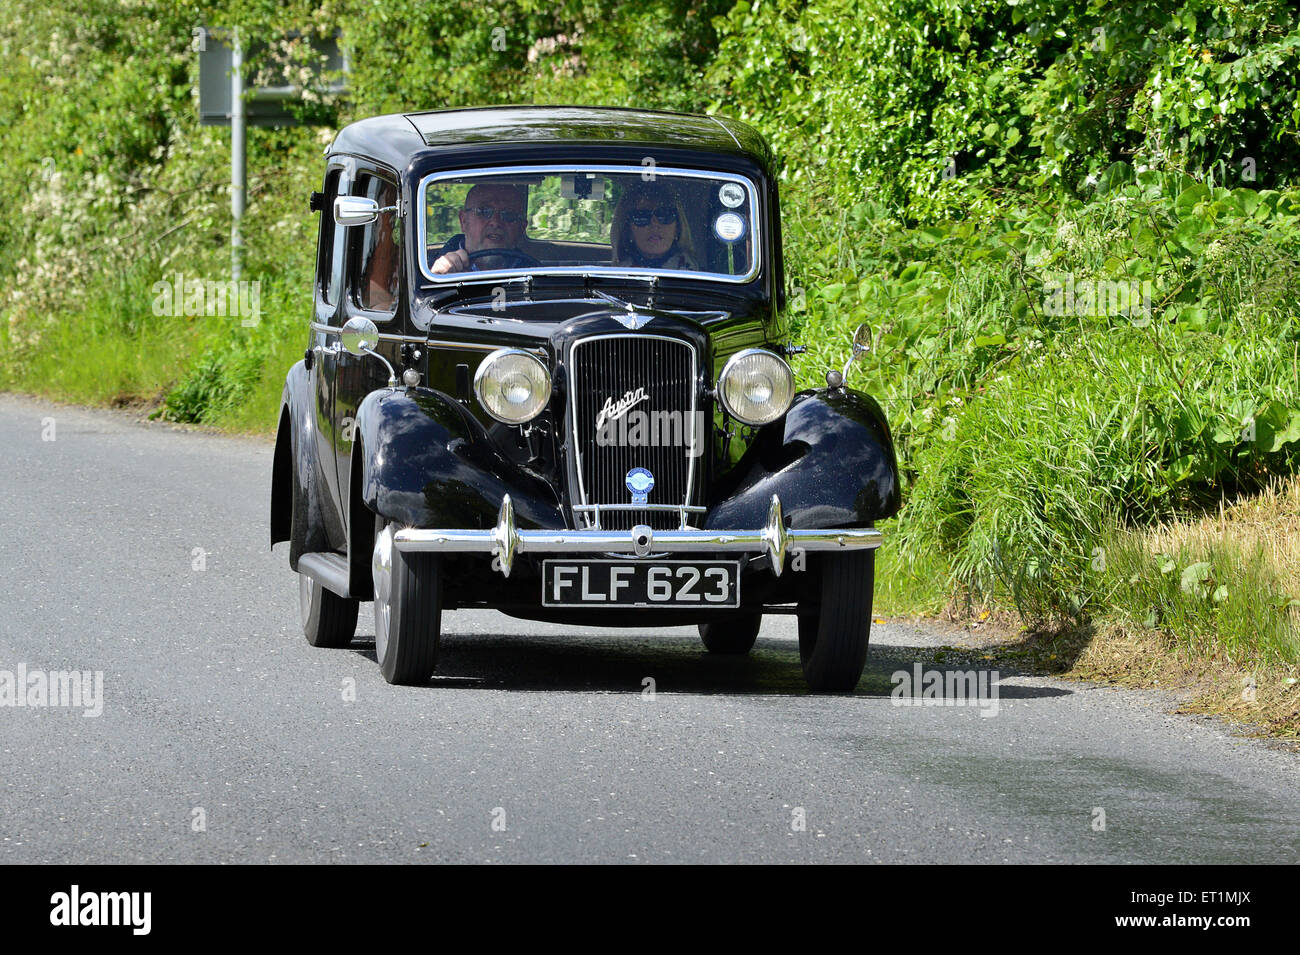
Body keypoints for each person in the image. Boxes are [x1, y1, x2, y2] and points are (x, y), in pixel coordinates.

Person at [430, 183, 529, 274]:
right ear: (464, 221)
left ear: (521, 228)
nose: (496, 222)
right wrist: (437, 278)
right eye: (484, 211)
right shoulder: (428, 271)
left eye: (509, 214)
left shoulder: (535, 272)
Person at [611, 183, 698, 270]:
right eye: (642, 216)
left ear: (677, 228)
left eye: (664, 215)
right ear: (628, 230)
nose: (654, 224)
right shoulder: (618, 274)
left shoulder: (696, 276)